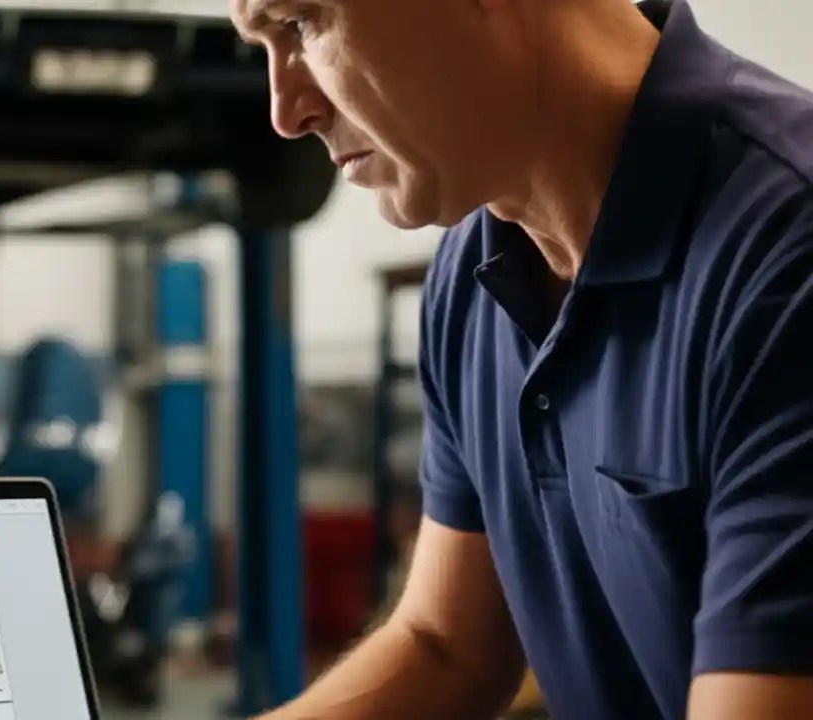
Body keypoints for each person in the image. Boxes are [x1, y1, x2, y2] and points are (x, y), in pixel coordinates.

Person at [230, 0, 813, 718]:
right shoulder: (476, 272)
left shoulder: (786, 259)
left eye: (300, 23)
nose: (287, 113)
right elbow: (445, 646)